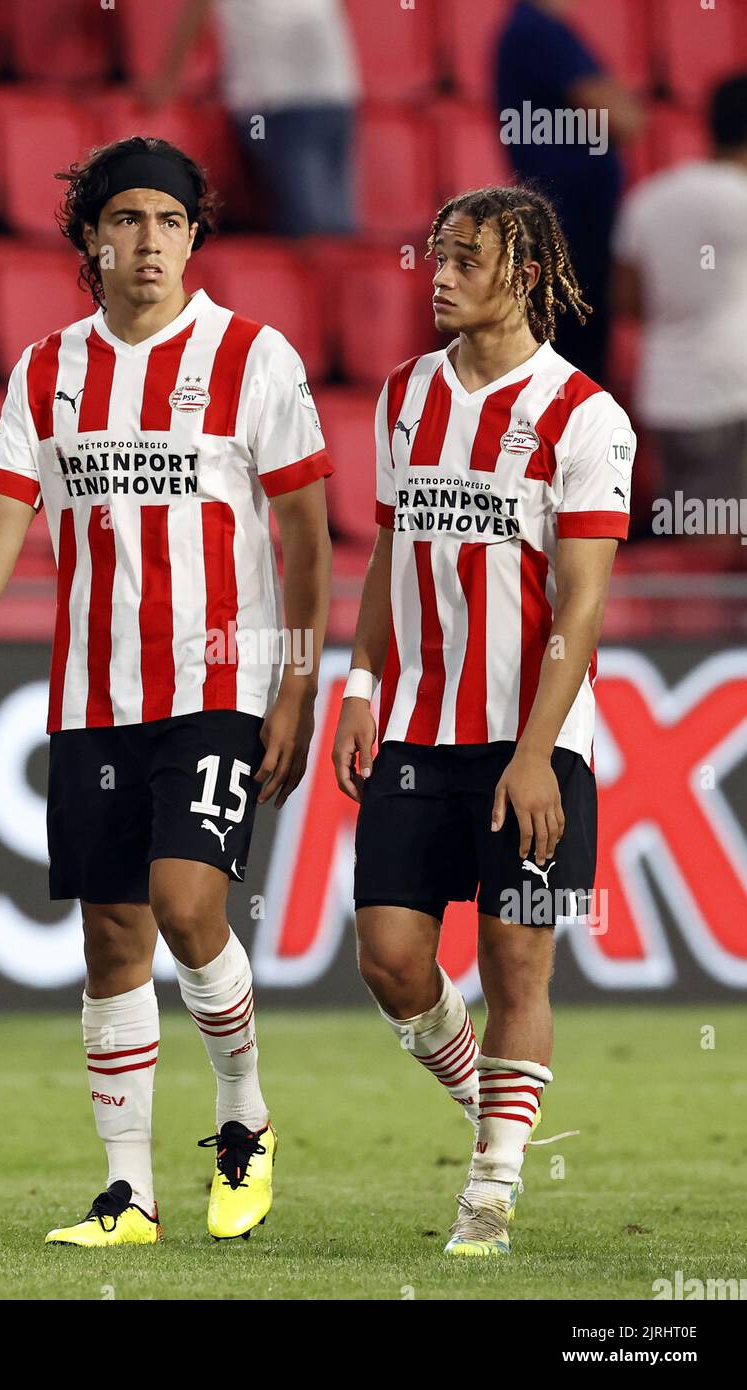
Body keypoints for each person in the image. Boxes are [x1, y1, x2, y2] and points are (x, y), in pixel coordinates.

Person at [0, 136, 333, 1247]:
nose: (151, 241)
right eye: (129, 219)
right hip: (95, 693)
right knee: (112, 938)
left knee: (192, 905)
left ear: (196, 237)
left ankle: (243, 1116)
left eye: (172, 221)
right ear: (90, 237)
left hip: (220, 681)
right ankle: (129, 1193)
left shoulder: (253, 358)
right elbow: (1, 513)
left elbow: (305, 531)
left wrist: (298, 678)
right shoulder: (48, 371)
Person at [332, 185, 635, 1256]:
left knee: (516, 962)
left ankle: (491, 1193)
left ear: (530, 275)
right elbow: (385, 548)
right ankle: (488, 1106)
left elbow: (583, 599)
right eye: (436, 255)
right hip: (417, 728)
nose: (440, 273)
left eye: (466, 257)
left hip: (531, 736)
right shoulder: (406, 394)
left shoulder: (583, 416)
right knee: (390, 957)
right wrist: (360, 683)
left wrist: (539, 751)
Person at [612, 73, 747, 561]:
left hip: (666, 396)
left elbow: (626, 300)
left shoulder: (650, 198)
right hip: (732, 395)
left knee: (697, 549)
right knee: (720, 565)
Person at [496, 0, 642, 383]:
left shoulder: (544, 30)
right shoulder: (538, 31)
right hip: (569, 227)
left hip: (576, 226)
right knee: (571, 367)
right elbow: (623, 116)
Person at [144, 0, 360, 237]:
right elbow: (196, 13)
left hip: (333, 95)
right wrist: (168, 79)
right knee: (311, 230)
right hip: (277, 101)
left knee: (337, 231)